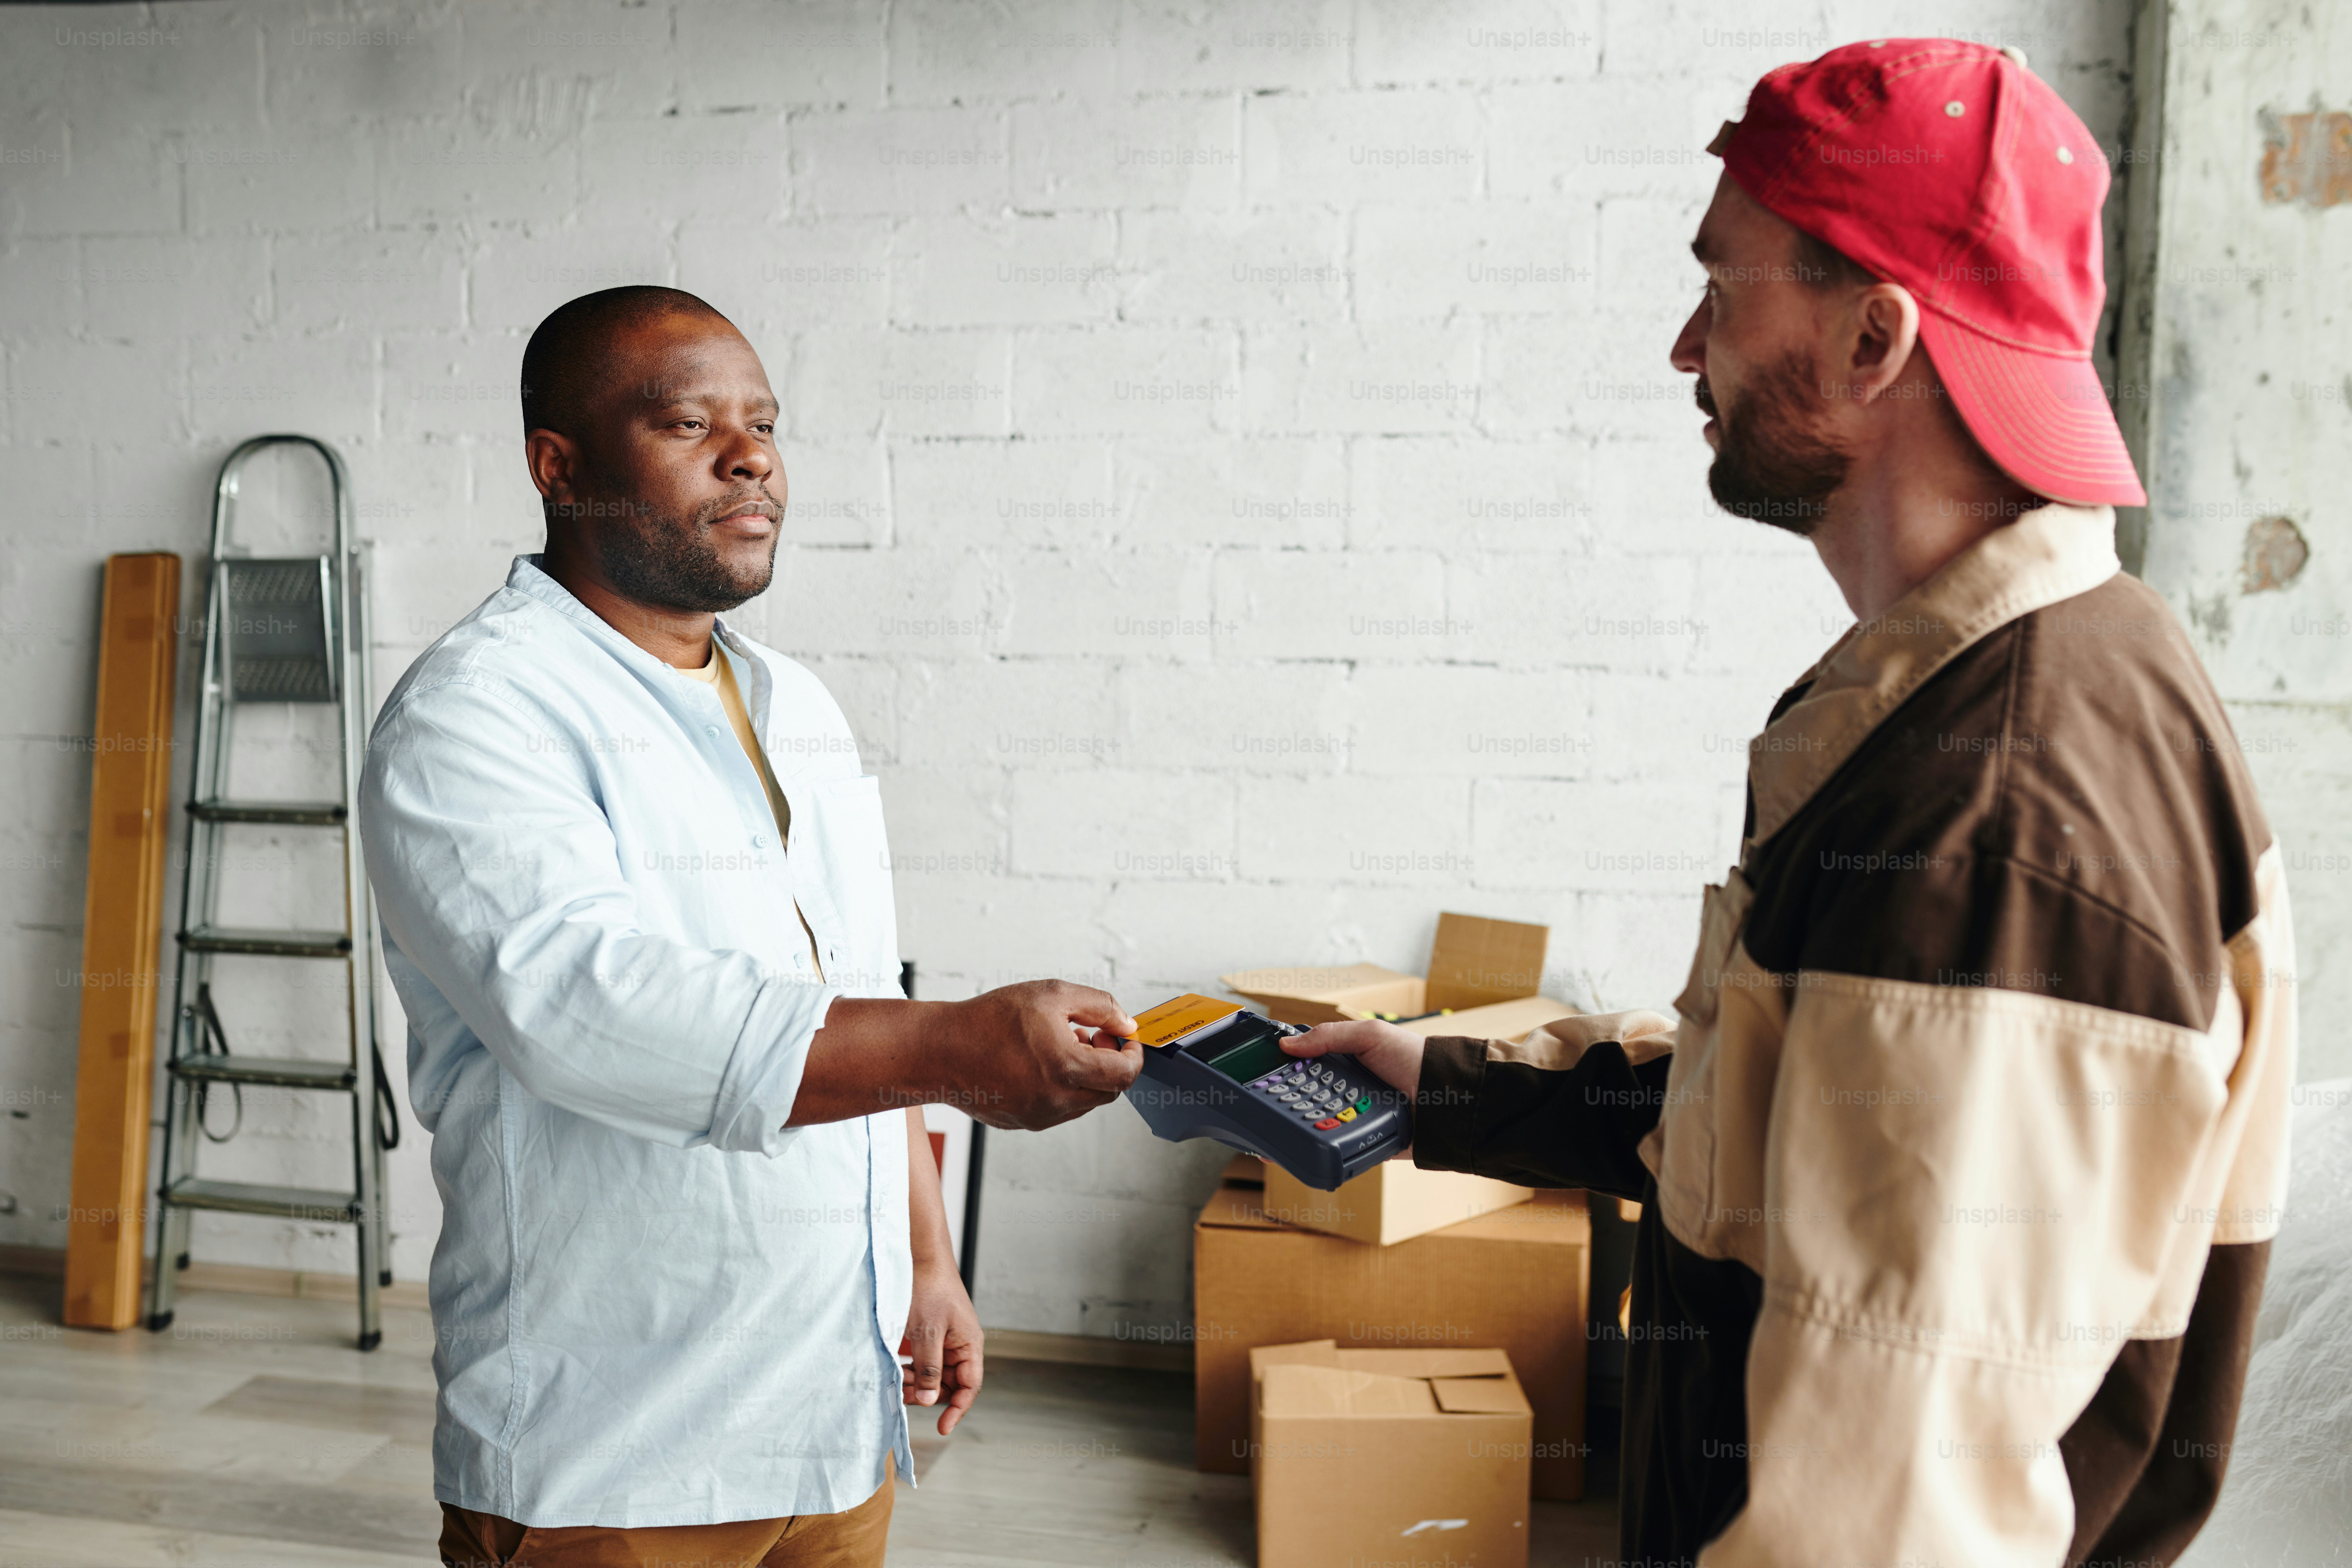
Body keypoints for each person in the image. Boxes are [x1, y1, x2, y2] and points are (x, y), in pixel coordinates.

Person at [1291, 40, 2294, 1568]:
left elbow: (1889, 1527)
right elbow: (1776, 1135)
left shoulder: (1996, 831)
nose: (1685, 349)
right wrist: (1453, 1092)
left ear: (1876, 337)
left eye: (1725, 289)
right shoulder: (2017, 685)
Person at [359, 286, 1142, 1568]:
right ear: (558, 467)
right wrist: (957, 1044)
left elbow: (846, 984)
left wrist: (926, 1257)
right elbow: (597, 1018)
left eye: (765, 422)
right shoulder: (476, 715)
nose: (752, 455)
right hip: (612, 1452)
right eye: (687, 423)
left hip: (834, 1416)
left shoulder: (798, 705)